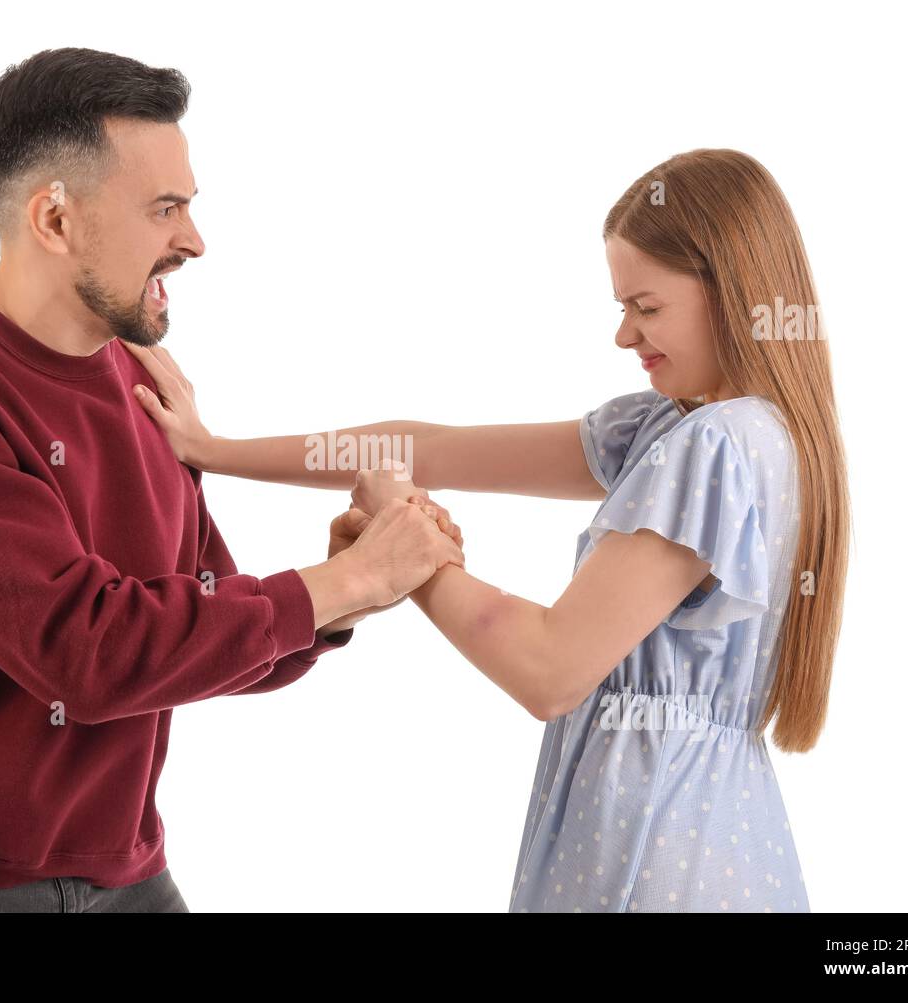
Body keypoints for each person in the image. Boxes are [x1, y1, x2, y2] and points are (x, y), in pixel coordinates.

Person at [0, 47, 463, 913]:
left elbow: (186, 618)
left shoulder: (138, 383)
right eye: (165, 208)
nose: (195, 240)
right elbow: (86, 652)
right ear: (55, 221)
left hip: (120, 873)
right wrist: (346, 579)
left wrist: (338, 605)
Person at [122, 148, 849, 912]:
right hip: (715, 834)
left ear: (728, 291)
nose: (625, 336)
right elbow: (425, 446)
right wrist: (217, 450)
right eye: (621, 309)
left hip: (658, 852)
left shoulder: (715, 447)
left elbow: (549, 668)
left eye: (648, 307)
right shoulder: (711, 432)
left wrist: (406, 550)